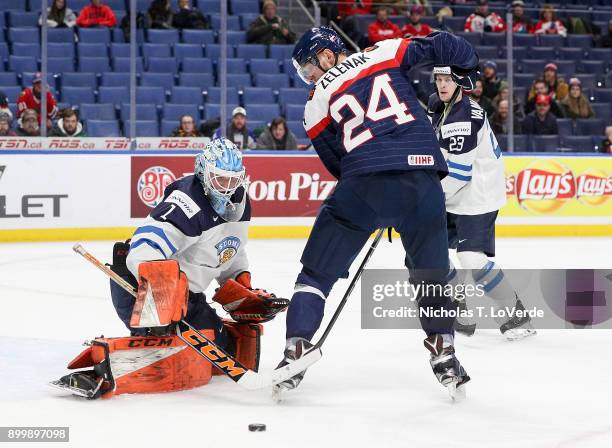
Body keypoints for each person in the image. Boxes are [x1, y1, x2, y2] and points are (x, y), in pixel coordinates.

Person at [276, 27, 481, 397]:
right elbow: (445, 45)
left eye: (310, 68)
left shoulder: (313, 105)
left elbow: (336, 162)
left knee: (316, 276)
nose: (310, 77)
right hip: (422, 184)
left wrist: (375, 197)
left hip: (363, 186)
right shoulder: (384, 51)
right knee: (431, 276)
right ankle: (444, 349)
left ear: (326, 55)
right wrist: (466, 64)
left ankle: (296, 346)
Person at [53, 138, 287, 399]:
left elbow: (229, 249)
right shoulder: (186, 203)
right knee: (172, 352)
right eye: (221, 180)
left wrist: (241, 284)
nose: (228, 188)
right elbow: (142, 251)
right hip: (139, 290)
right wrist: (165, 297)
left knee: (225, 349)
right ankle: (104, 370)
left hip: (187, 296)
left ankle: (176, 327)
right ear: (204, 173)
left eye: (234, 180)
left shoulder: (239, 203)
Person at [428, 67, 535, 341]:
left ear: (460, 82)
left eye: (447, 80)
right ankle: (461, 310)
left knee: (471, 258)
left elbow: (460, 174)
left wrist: (429, 198)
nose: (441, 85)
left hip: (478, 191)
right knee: (433, 248)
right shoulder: (436, 103)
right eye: (438, 79)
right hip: (455, 187)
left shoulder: (465, 116)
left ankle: (516, 313)